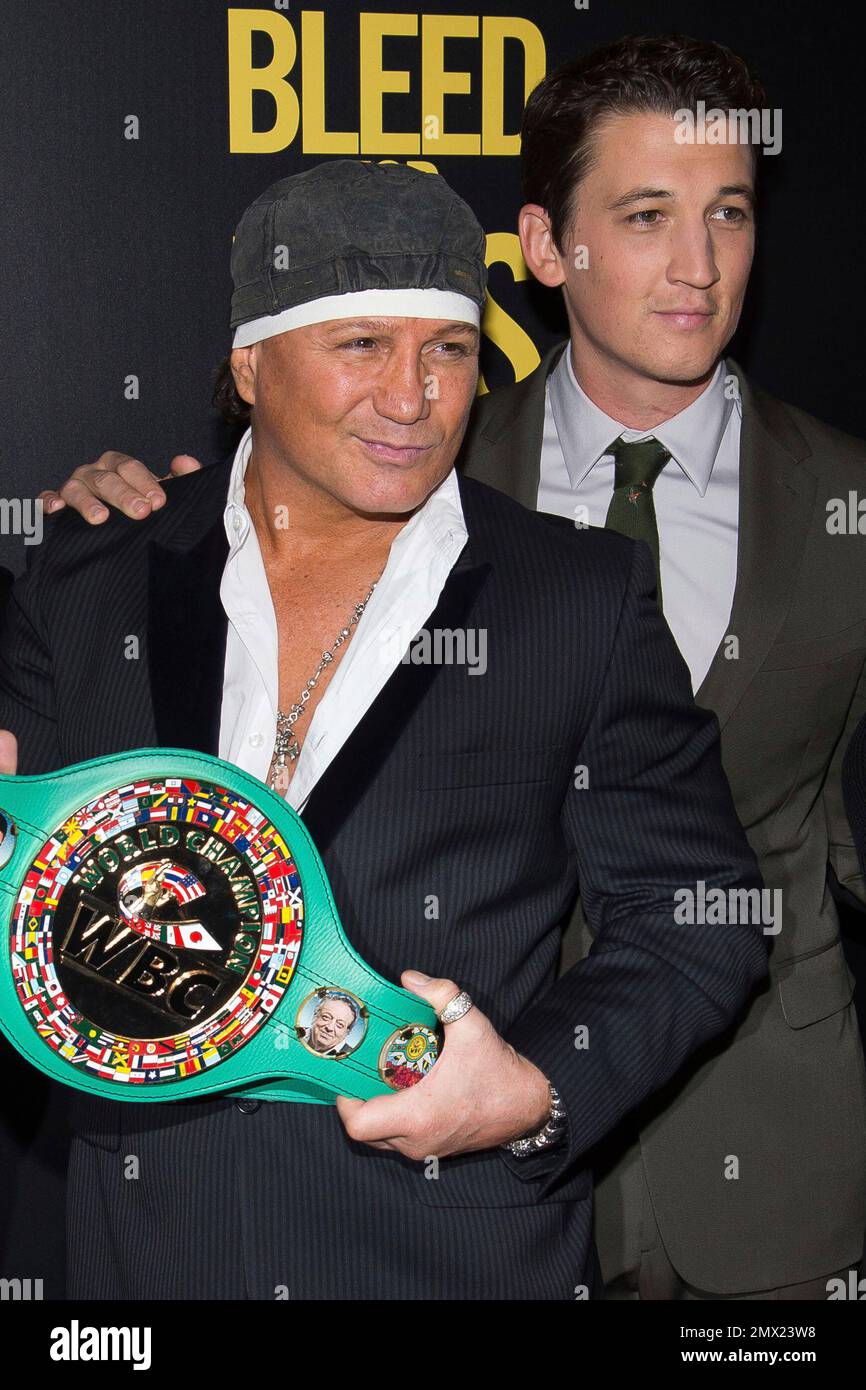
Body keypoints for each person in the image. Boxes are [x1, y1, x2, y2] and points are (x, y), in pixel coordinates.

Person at [4, 156, 768, 1301]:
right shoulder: (91, 575)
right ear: (250, 363)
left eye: (448, 350)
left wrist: (534, 1091)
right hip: (146, 1259)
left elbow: (695, 915)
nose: (413, 399)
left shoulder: (574, 599)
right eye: (360, 345)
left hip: (448, 1254)